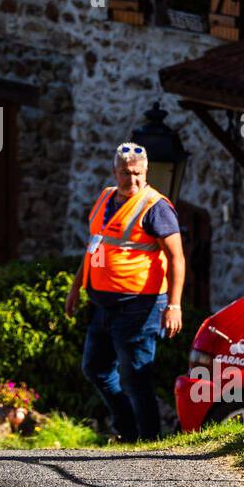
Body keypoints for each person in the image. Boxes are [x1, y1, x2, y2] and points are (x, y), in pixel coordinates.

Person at [64, 141, 186, 442]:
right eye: (125, 173)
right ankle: (129, 429)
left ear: (145, 172)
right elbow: (95, 247)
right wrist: (76, 287)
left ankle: (147, 440)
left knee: (136, 376)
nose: (132, 180)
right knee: (95, 369)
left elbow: (176, 258)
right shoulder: (105, 198)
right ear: (114, 171)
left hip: (139, 306)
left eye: (138, 174)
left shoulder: (156, 207)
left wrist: (174, 306)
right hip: (102, 304)